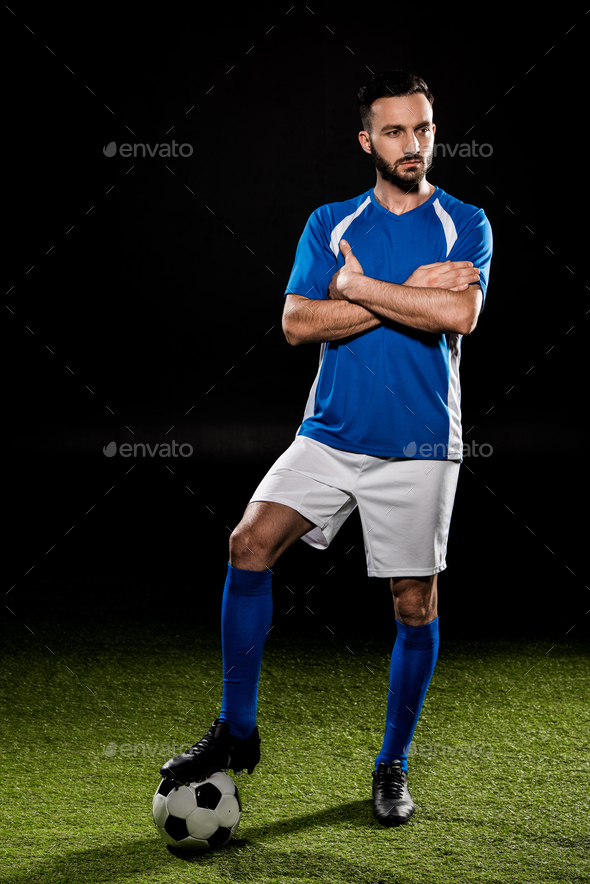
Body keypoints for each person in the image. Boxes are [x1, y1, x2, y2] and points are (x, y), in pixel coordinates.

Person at [161, 69, 493, 827]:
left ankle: (392, 763)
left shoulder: (467, 223)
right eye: (396, 131)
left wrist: (361, 289)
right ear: (366, 140)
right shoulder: (330, 223)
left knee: (414, 605)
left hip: (419, 445)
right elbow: (298, 324)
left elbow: (459, 317)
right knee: (248, 544)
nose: (413, 145)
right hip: (330, 434)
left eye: (424, 129)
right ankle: (237, 733)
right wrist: (405, 290)